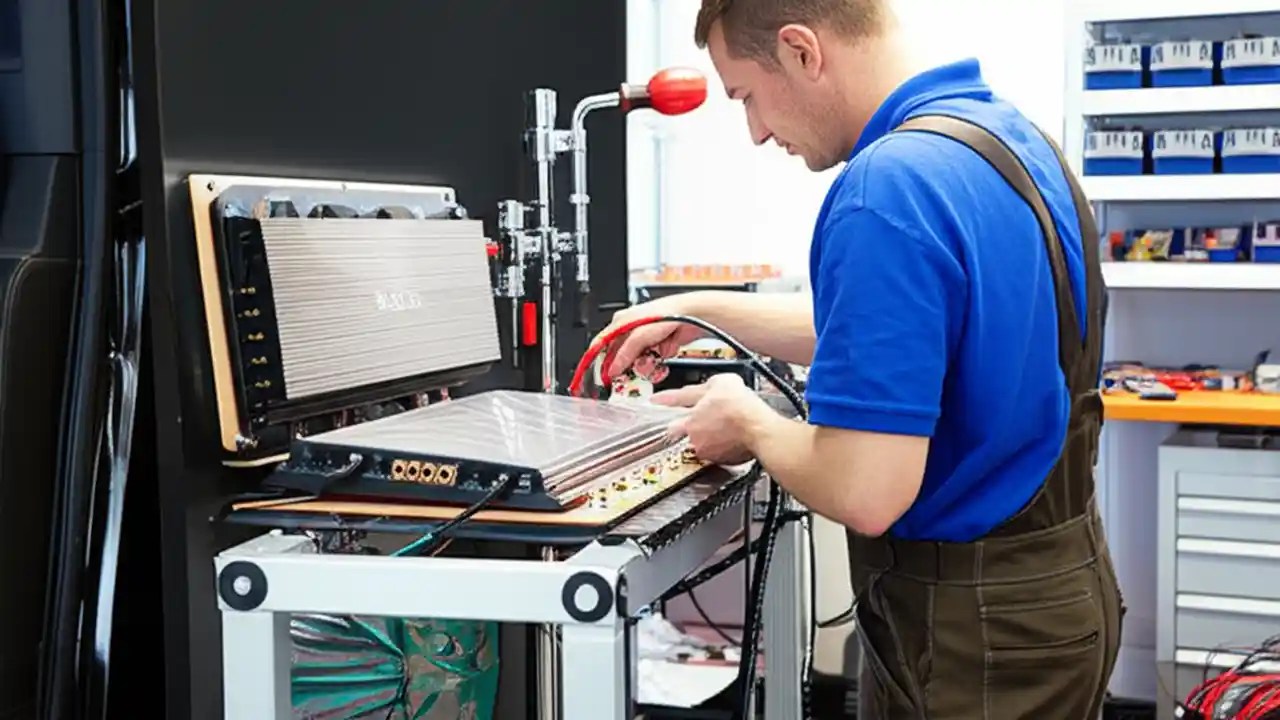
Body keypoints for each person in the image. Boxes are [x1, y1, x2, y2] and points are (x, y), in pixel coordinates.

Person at [598, 1, 1125, 717]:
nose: (756, 131)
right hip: (1061, 594)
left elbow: (865, 489)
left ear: (801, 50)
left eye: (746, 96)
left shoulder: (886, 190)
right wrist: (701, 312)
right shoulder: (1006, 140)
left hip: (972, 639)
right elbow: (909, 332)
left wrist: (748, 420)